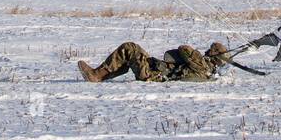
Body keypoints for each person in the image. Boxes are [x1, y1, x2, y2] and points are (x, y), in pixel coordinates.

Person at [78, 41, 232, 83]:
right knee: (136, 54)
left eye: (211, 50)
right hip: (155, 70)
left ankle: (97, 75)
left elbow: (183, 48)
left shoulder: (202, 65)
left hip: (153, 75)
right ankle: (101, 76)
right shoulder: (205, 68)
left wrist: (197, 54)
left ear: (215, 57)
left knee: (130, 48)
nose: (207, 51)